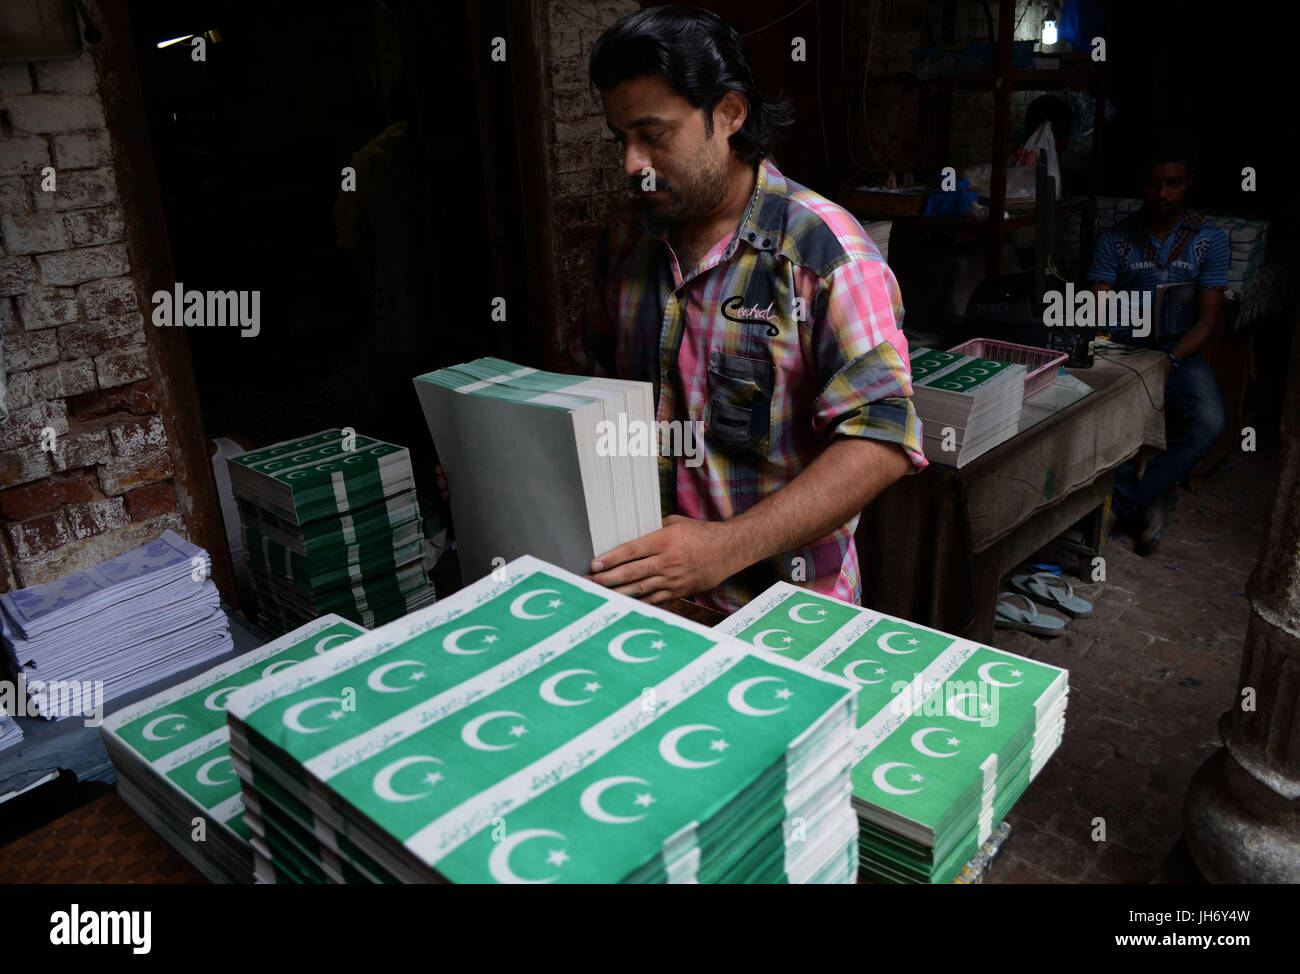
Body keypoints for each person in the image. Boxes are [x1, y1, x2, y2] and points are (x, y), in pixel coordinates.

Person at [566, 6, 926, 614]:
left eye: (653, 136)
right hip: (644, 603)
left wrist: (722, 548)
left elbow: (882, 441)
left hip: (783, 616)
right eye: (621, 139)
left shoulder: (826, 257)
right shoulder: (627, 247)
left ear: (729, 114)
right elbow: (585, 388)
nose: (633, 165)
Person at [1089, 138, 1228, 556]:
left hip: (1178, 352)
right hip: (1124, 349)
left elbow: (1208, 318)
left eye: (1174, 184)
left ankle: (1125, 504)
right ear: (1142, 183)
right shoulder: (1116, 238)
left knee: (1208, 419)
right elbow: (1097, 304)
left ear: (1190, 182)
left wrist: (1170, 359)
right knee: (1082, 410)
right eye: (1153, 184)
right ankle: (1148, 500)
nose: (1163, 195)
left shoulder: (1210, 239)